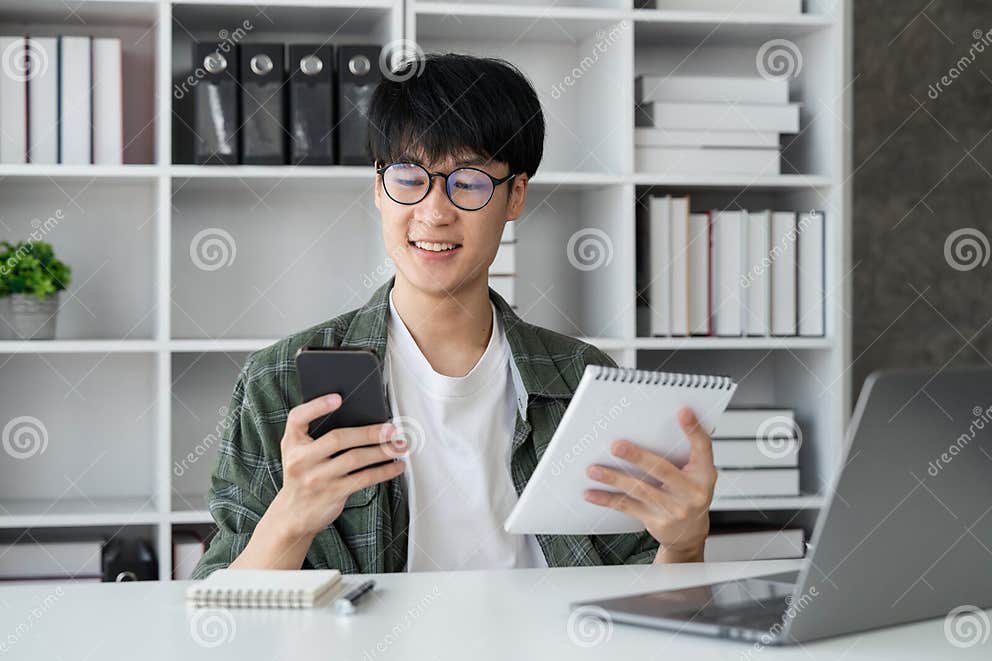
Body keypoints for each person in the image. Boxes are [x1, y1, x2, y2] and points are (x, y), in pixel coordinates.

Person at [192, 53, 717, 578]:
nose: (434, 212)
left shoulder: (583, 379)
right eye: (408, 176)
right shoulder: (279, 382)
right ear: (378, 188)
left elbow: (643, 597)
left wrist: (684, 545)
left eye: (467, 182)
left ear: (515, 196)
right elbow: (219, 610)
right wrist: (291, 519)